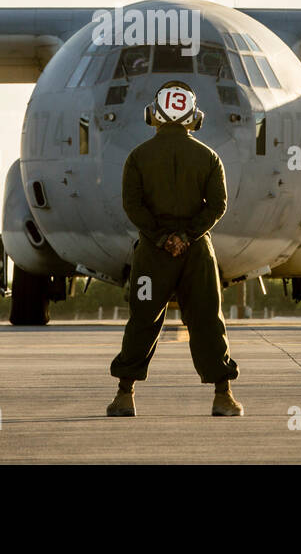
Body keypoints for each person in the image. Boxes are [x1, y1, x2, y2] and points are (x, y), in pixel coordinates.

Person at [108, 80, 242, 417]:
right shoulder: (209, 157)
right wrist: (188, 235)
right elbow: (217, 206)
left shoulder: (137, 158)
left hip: (152, 254)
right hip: (197, 252)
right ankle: (223, 396)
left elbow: (132, 205)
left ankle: (125, 395)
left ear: (153, 115)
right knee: (208, 320)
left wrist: (160, 237)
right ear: (193, 118)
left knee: (142, 320)